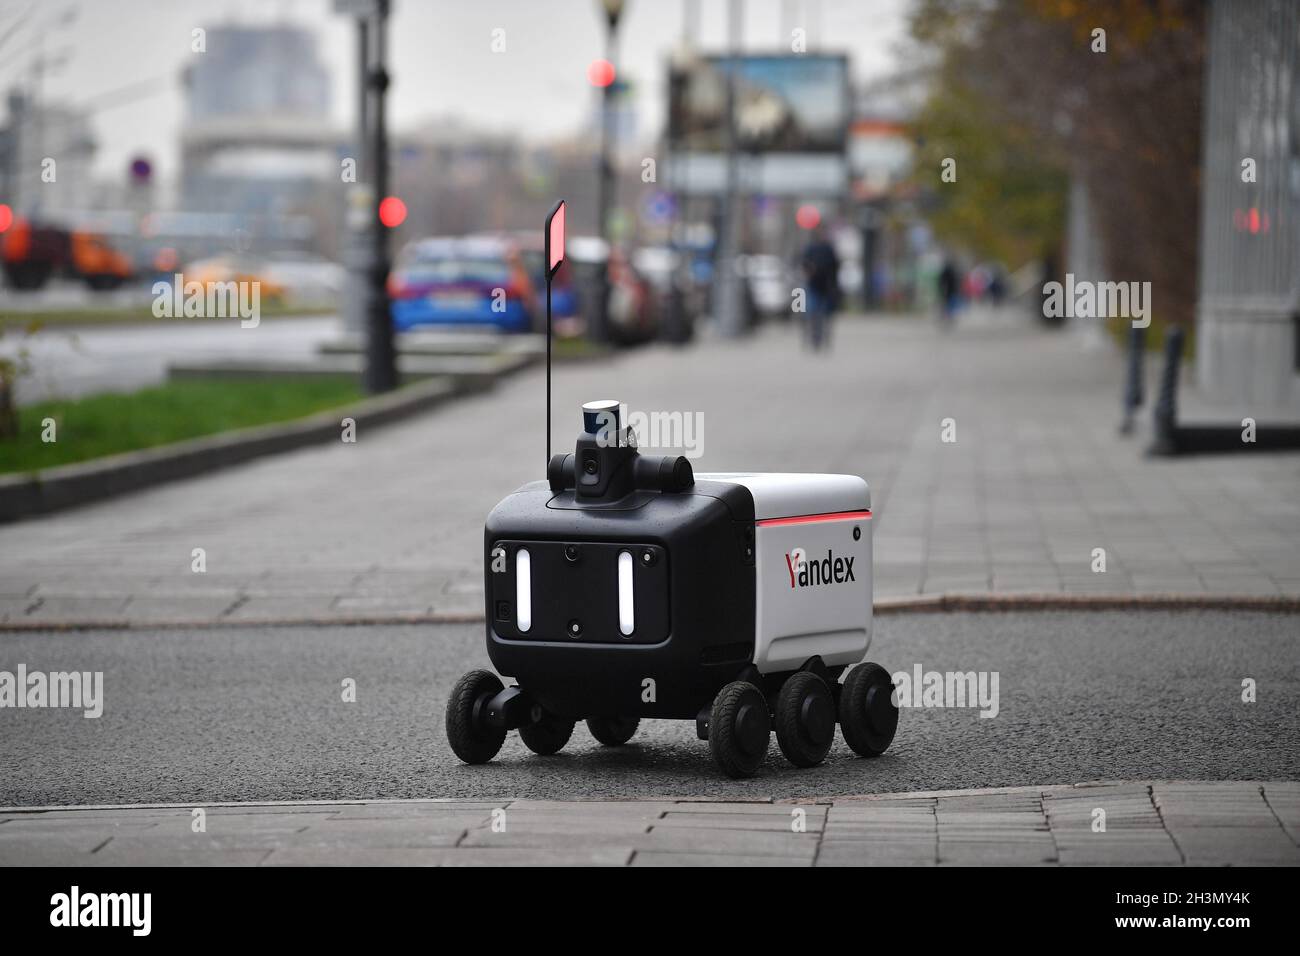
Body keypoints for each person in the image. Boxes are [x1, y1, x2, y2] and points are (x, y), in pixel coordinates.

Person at [800, 227, 839, 350]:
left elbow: (835, 266)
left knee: (822, 314)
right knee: (814, 313)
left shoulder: (827, 249)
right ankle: (816, 338)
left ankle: (821, 338)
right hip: (815, 286)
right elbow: (804, 264)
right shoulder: (814, 249)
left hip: (826, 286)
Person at [937, 257, 959, 327]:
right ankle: (949, 316)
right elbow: (955, 282)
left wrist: (941, 288)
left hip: (946, 290)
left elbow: (941, 281)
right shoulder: (953, 271)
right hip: (951, 291)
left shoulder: (945, 271)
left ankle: (946, 316)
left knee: (946, 304)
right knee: (950, 304)